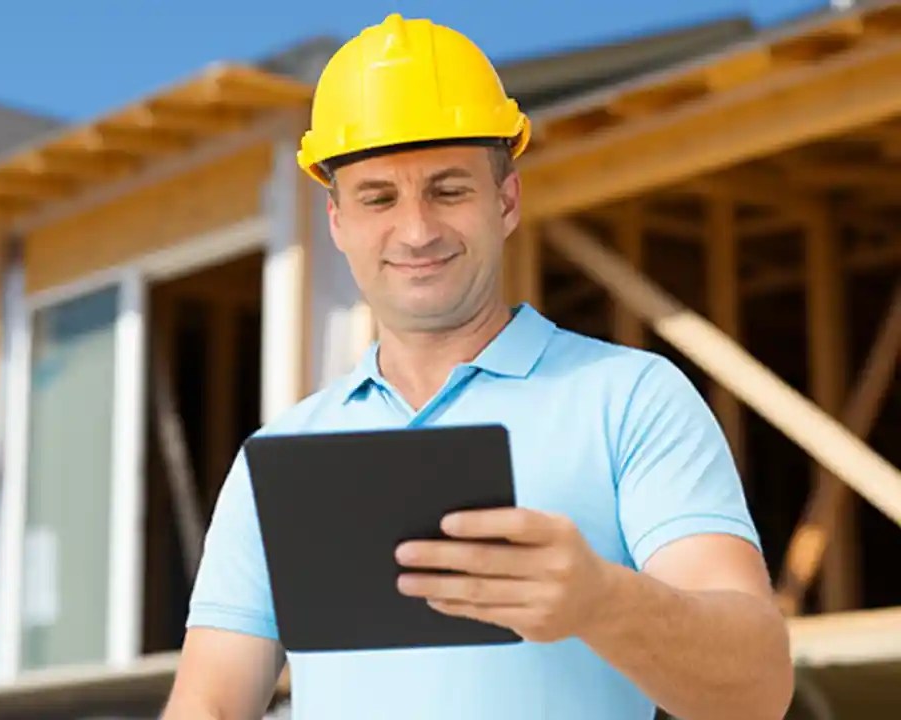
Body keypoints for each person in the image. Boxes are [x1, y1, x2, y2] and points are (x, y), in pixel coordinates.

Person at [162, 13, 794, 720]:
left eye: (449, 189)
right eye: (378, 197)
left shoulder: (630, 400)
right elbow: (209, 706)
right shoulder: (280, 459)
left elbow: (758, 690)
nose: (417, 229)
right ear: (337, 222)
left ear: (506, 200)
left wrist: (599, 599)